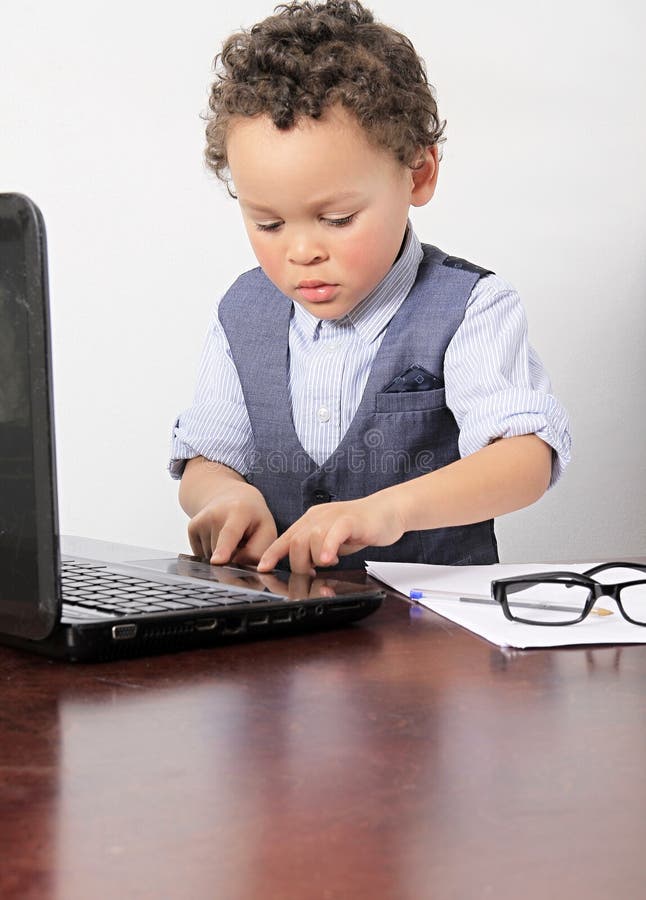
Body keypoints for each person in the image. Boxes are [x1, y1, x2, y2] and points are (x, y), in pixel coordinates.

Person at [169, 0, 571, 575]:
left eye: (336, 220)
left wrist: (389, 511)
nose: (301, 250)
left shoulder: (469, 307)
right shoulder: (243, 311)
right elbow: (207, 459)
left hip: (430, 633)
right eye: (268, 224)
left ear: (419, 174)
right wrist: (224, 496)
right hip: (281, 636)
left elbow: (525, 459)